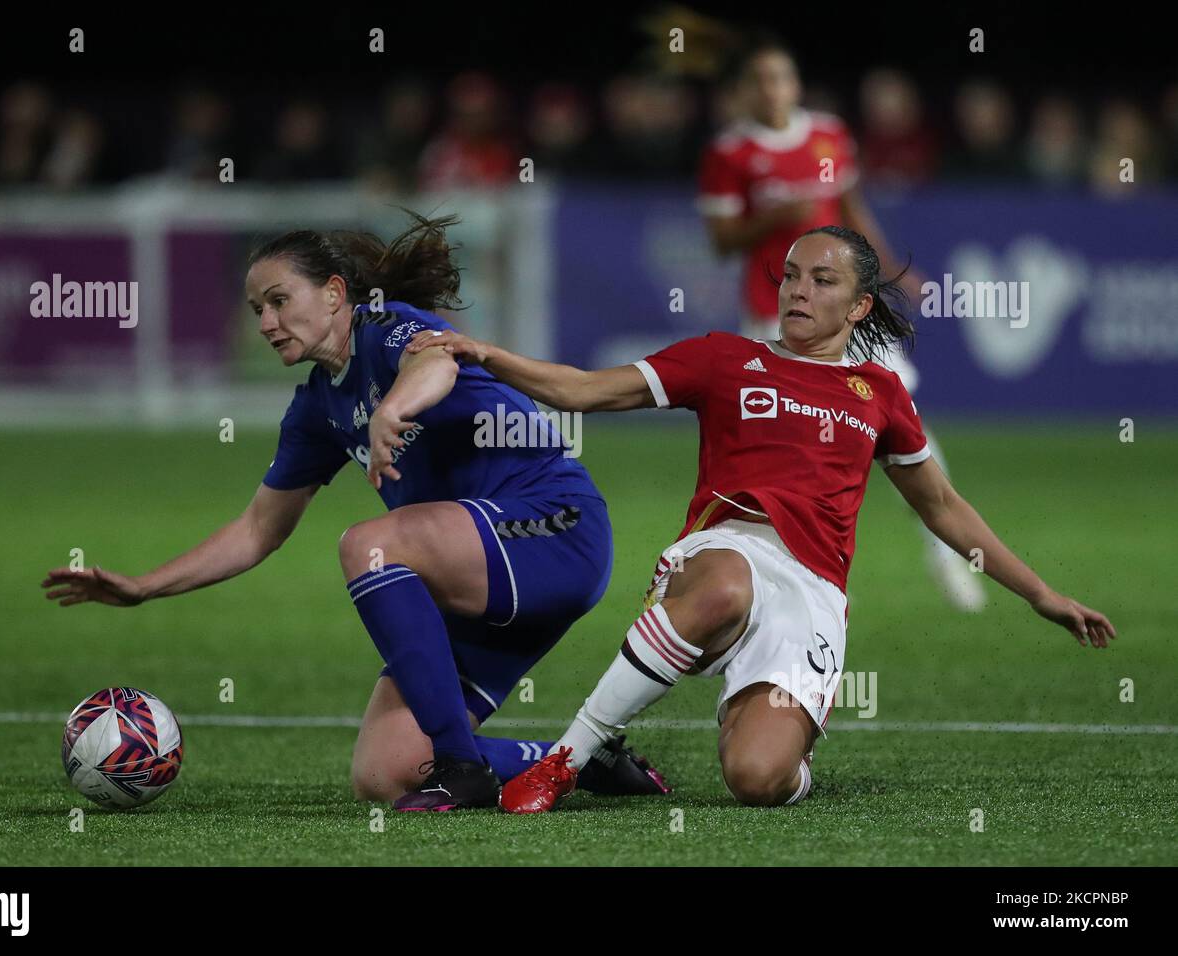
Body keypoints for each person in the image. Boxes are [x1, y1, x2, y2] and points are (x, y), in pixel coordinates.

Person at [404, 225, 1116, 813]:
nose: (799, 290)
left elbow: (943, 506)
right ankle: (569, 757)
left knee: (756, 780)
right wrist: (488, 355)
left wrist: (1040, 594)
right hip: (723, 550)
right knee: (724, 586)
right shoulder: (724, 359)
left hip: (811, 595)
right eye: (790, 276)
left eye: (822, 280)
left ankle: (784, 748)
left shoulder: (880, 393)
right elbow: (588, 391)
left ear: (859, 307)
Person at [41, 213, 668, 811]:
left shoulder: (383, 325)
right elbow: (258, 530)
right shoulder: (315, 409)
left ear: (336, 293)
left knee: (369, 546)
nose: (265, 321)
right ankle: (580, 760)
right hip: (473, 575)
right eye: (257, 308)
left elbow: (437, 360)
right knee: (384, 772)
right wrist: (145, 587)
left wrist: (393, 409)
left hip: (554, 528)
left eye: (279, 300)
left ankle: (462, 771)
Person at [697, 35, 984, 612]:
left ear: (794, 84)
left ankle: (949, 556)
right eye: (761, 80)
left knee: (904, 421)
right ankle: (765, 577)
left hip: (849, 312)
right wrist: (774, 216)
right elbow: (723, 241)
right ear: (746, 90)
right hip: (775, 313)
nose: (773, 89)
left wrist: (885, 272)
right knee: (783, 447)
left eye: (782, 78)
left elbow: (850, 206)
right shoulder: (730, 154)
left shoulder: (827, 134)